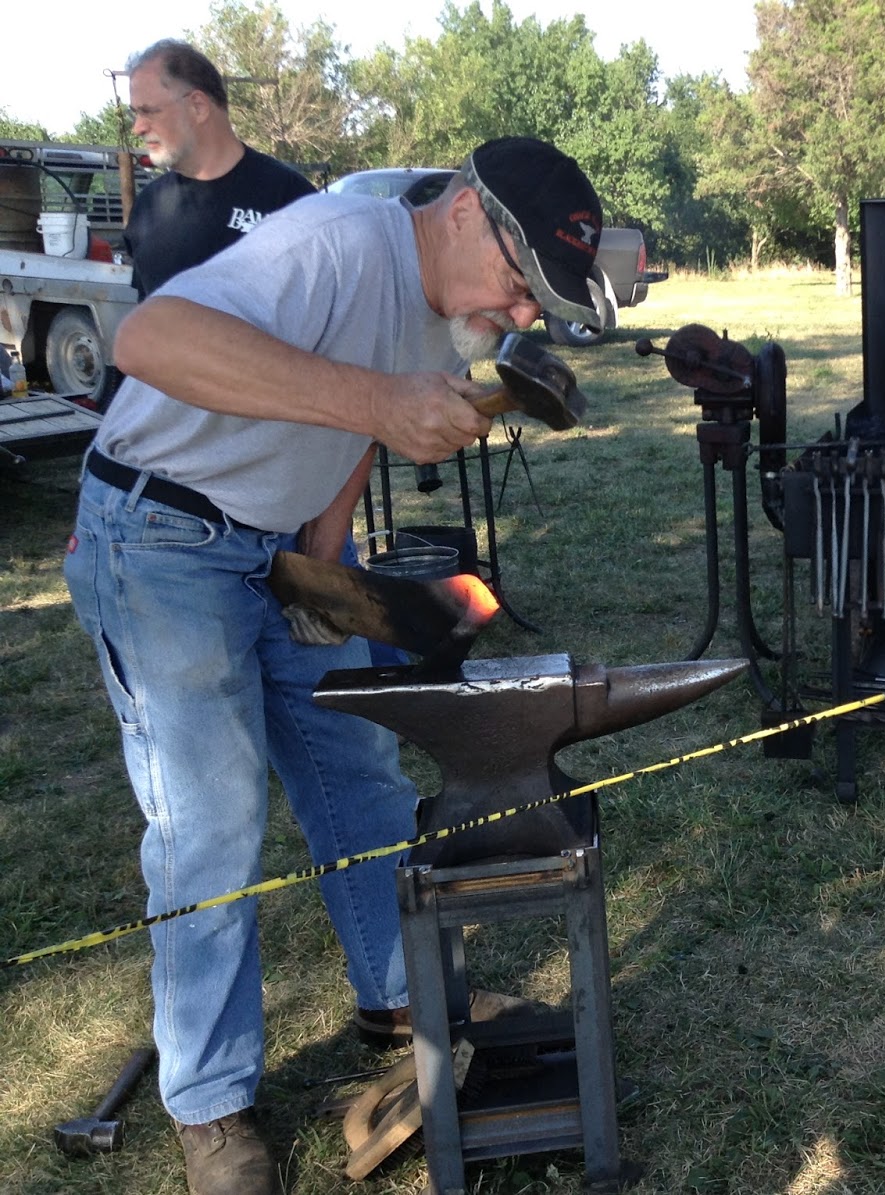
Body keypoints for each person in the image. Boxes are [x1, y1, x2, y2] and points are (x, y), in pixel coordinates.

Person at [64, 136, 608, 1195]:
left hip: (275, 543)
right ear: (461, 213)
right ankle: (211, 1102)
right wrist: (375, 404)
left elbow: (354, 430)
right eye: (521, 281)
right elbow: (148, 335)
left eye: (541, 300)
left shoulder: (447, 308)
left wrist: (323, 557)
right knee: (209, 819)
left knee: (359, 769)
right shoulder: (332, 244)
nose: (525, 312)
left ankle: (402, 994)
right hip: (158, 533)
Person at [122, 39, 316, 300]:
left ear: (198, 106)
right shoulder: (147, 209)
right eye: (135, 113)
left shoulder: (291, 199)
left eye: (148, 112)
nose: (138, 128)